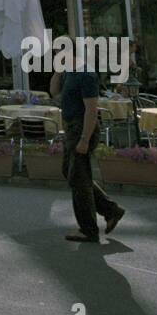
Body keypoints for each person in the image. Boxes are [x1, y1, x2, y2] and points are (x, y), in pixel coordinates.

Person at [50, 57, 125, 243]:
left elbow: (91, 110)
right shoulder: (69, 73)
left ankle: (88, 229)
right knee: (71, 173)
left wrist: (84, 139)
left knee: (78, 179)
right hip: (71, 128)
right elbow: (54, 93)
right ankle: (111, 210)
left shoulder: (86, 75)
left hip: (82, 128)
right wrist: (58, 71)